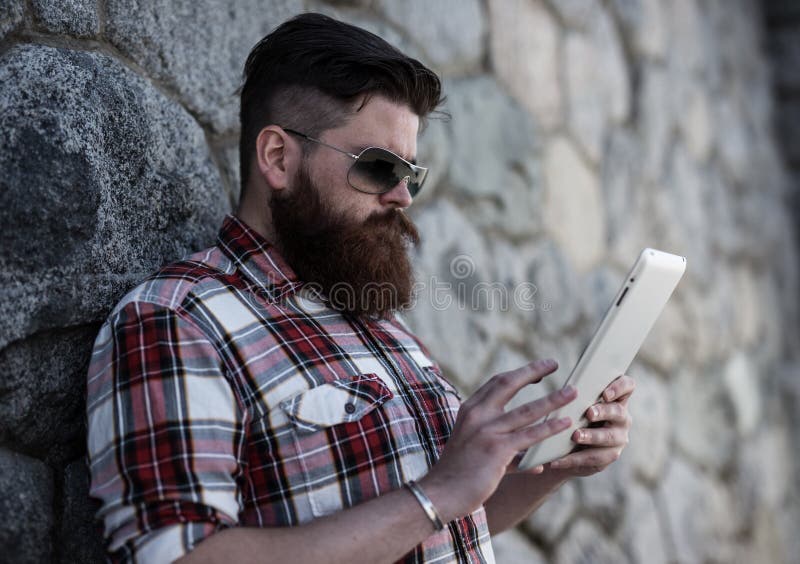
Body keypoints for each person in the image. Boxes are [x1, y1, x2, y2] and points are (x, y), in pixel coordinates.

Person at [86, 12, 634, 564]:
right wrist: (437, 493)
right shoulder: (175, 320)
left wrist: (552, 466)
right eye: (377, 167)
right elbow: (179, 557)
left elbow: (445, 523)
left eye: (410, 175)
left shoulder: (375, 319)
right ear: (278, 157)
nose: (403, 197)